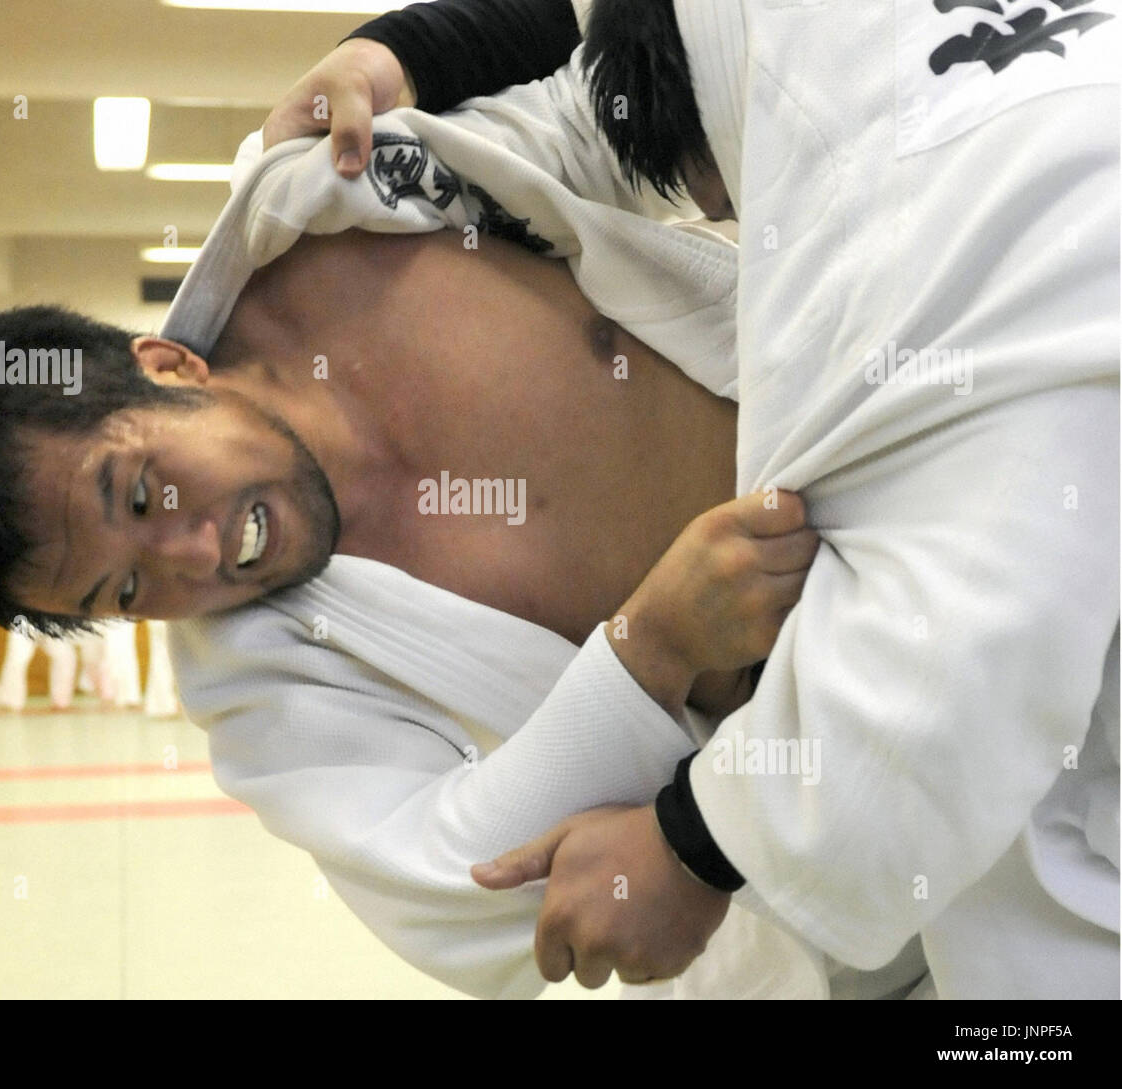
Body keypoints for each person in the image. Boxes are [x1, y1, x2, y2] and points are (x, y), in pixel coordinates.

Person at [0, 94, 830, 997]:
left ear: (166, 367)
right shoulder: (256, 684)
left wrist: (407, 46)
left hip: (898, 428)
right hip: (826, 773)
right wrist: (650, 653)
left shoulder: (340, 204)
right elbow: (456, 896)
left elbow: (599, 83)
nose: (192, 556)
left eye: (142, 491)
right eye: (124, 591)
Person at [259, 0, 1121, 997]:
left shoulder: (896, 238)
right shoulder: (808, 39)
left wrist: (691, 844)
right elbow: (577, 106)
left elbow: (954, 647)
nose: (723, 212)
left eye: (704, 190)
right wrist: (404, 50)